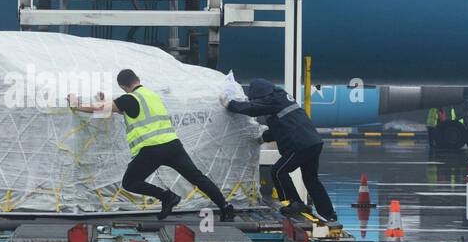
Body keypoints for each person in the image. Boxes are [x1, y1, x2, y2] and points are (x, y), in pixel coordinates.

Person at [68, 69, 236, 222]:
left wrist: (77, 105)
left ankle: (166, 196)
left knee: (130, 182)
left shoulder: (130, 98)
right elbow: (121, 109)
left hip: (151, 149)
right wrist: (106, 102)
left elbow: (104, 108)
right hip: (173, 146)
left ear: (122, 86)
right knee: (197, 177)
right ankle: (225, 207)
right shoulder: (152, 95)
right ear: (138, 79)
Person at [223, 79, 337, 222]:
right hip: (313, 142)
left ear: (261, 95)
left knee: (278, 171)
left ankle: (295, 203)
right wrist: (263, 137)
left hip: (300, 144)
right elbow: (283, 127)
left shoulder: (273, 99)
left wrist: (230, 104)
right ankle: (328, 213)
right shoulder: (281, 98)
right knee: (311, 179)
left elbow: (252, 108)